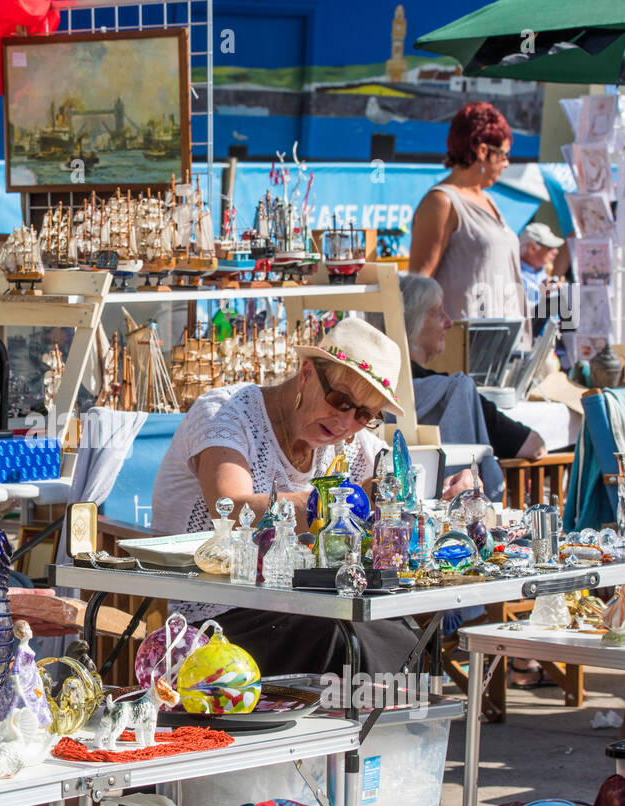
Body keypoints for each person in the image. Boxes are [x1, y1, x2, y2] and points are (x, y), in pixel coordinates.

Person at [151, 317, 467, 677]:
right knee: (341, 638)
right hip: (219, 614)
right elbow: (233, 508)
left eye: (365, 414)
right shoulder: (225, 413)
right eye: (339, 400)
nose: (346, 421)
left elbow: (400, 475)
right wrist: (339, 501)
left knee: (403, 631)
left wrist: (444, 489)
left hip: (298, 603)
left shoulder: (348, 439)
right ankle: (357, 730)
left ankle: (388, 732)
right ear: (305, 374)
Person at [408, 102, 528, 348]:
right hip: (466, 349)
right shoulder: (442, 201)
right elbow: (418, 283)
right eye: (504, 154)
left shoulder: (488, 200)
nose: (507, 163)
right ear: (483, 151)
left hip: (506, 346)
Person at [391, 273, 547, 462]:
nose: (449, 323)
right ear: (415, 321)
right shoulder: (450, 390)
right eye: (439, 313)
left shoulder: (378, 380)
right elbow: (534, 447)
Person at [518, 222, 565, 326]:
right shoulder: (516, 275)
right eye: (549, 248)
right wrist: (546, 297)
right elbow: (527, 319)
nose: (556, 252)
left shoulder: (542, 273)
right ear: (532, 248)